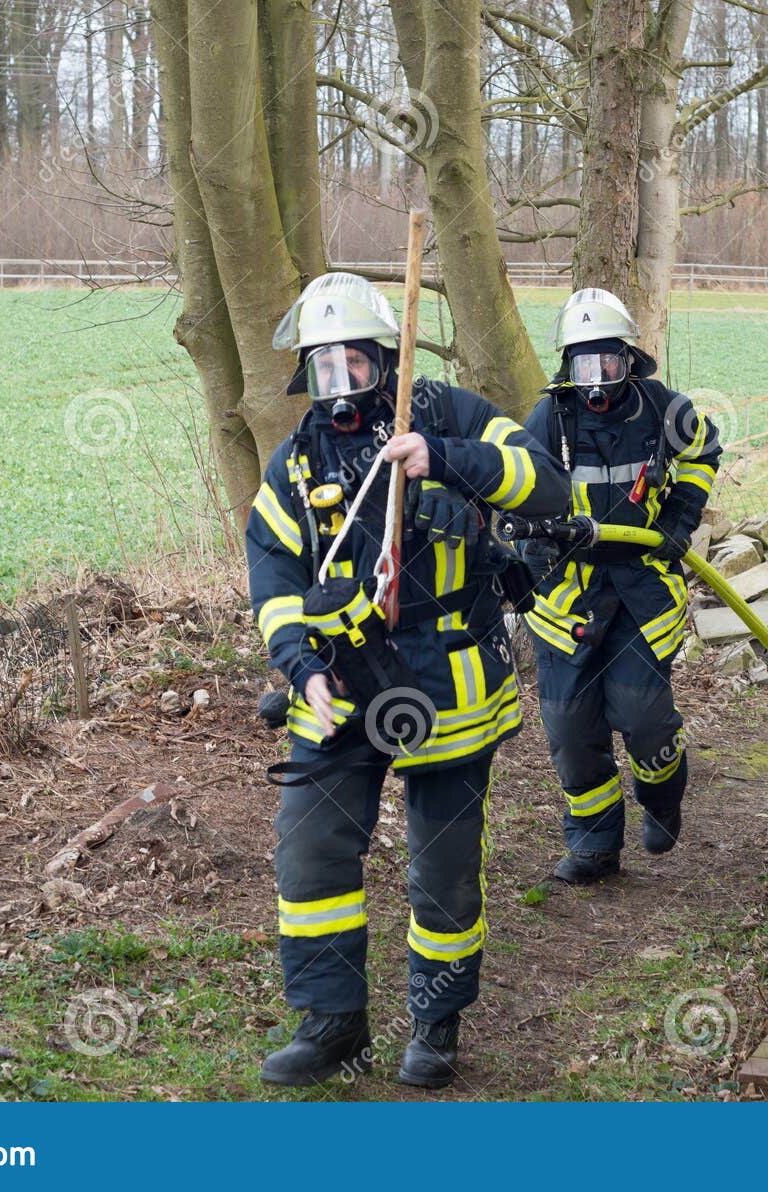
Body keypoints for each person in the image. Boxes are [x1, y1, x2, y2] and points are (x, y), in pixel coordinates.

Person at [247, 272, 568, 1088]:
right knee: (310, 850)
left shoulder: (450, 413)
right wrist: (300, 670)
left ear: (385, 360)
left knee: (443, 865)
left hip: (446, 681)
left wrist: (447, 459)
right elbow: (275, 580)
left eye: (353, 362)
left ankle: (436, 1021)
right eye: (322, 366)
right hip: (339, 683)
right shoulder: (295, 465)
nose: (338, 383)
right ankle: (330, 1023)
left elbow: (547, 483)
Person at [519, 288, 721, 884]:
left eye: (607, 361)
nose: (596, 378)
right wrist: (532, 543)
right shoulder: (550, 418)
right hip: (567, 596)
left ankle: (662, 799)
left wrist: (679, 518)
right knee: (570, 727)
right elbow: (514, 480)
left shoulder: (663, 409)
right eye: (584, 365)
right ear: (568, 366)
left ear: (629, 360)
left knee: (640, 712)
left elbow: (704, 449)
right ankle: (594, 845)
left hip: (641, 585)